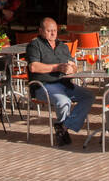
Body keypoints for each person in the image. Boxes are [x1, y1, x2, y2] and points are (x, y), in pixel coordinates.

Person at [26, 18, 94, 146]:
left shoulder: (62, 46)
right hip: (44, 85)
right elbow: (33, 67)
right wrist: (57, 67)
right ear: (41, 31)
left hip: (64, 83)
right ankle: (63, 132)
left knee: (89, 96)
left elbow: (72, 64)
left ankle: (63, 127)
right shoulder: (34, 45)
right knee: (64, 101)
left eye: (55, 31)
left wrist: (71, 68)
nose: (52, 34)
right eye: (49, 31)